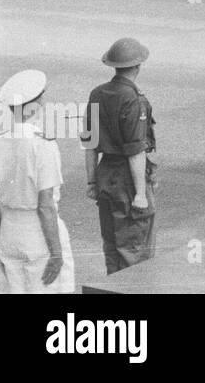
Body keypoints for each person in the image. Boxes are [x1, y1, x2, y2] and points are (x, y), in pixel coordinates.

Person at [82, 38, 158, 274]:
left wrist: (92, 182)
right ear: (137, 67)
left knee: (112, 250)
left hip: (106, 178)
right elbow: (136, 151)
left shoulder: (97, 93)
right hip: (128, 181)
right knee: (135, 254)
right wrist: (140, 194)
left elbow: (90, 145)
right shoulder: (135, 100)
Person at [0, 70, 75, 293]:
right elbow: (46, 205)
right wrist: (57, 253)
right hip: (37, 233)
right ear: (38, 103)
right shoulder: (43, 145)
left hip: (8, 231)